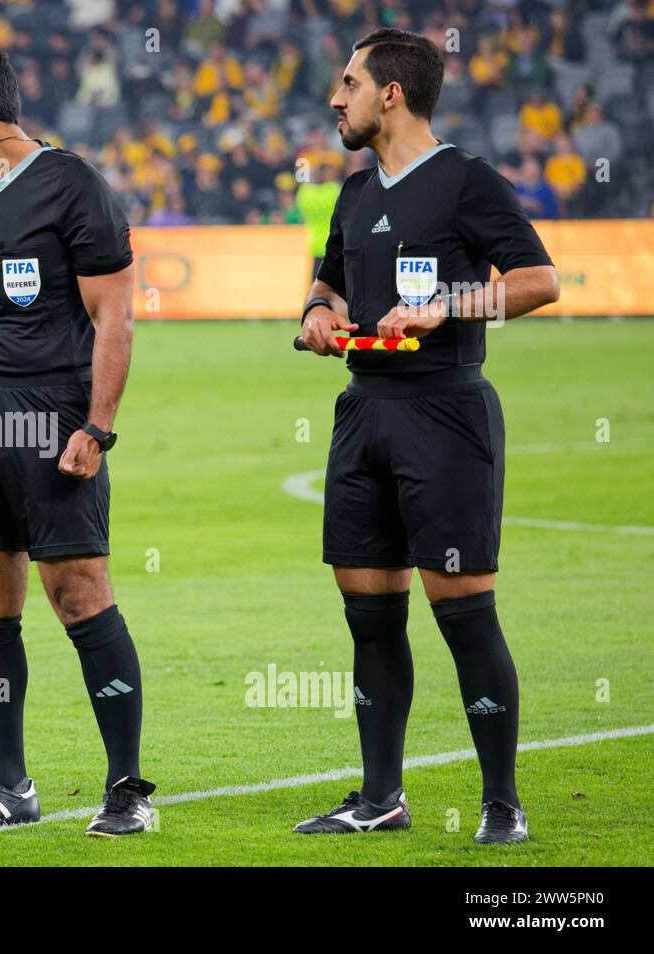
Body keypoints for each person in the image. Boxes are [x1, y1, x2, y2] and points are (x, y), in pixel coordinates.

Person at [294, 28, 559, 844]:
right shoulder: (352, 192)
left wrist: (448, 305)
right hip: (363, 411)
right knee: (368, 615)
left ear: (391, 93)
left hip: (445, 415)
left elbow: (537, 281)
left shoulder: (468, 183)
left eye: (348, 83)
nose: (335, 98)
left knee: (464, 615)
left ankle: (502, 804)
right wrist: (317, 318)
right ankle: (380, 797)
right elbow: (325, 284)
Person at [0, 36, 154, 838]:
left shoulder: (75, 186)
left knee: (78, 594)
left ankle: (127, 791)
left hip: (51, 416)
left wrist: (99, 428)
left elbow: (115, 313)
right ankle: (6, 785)